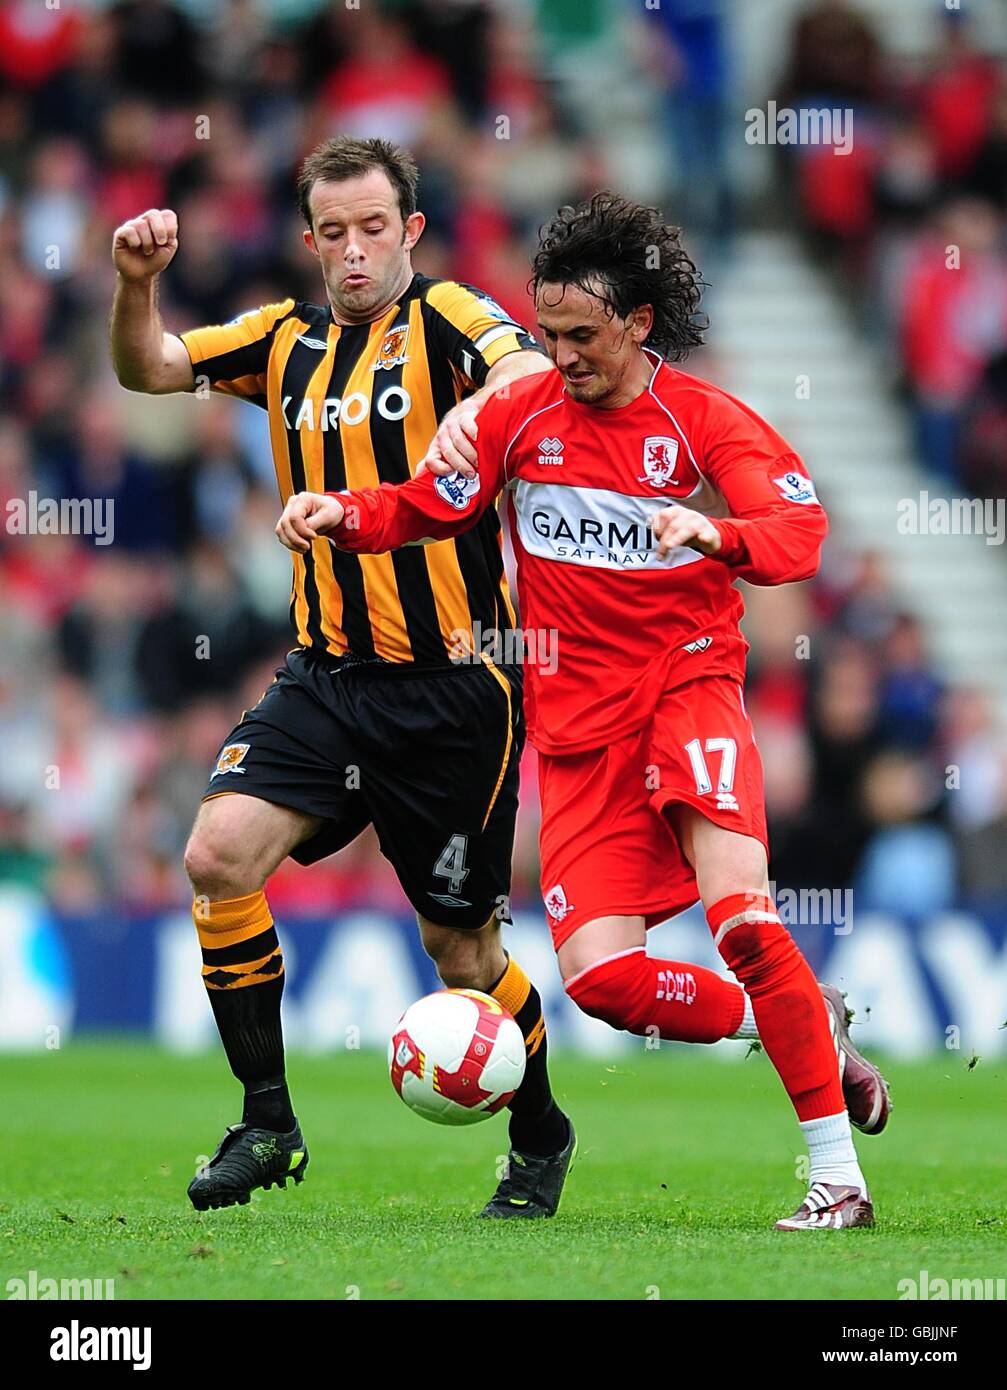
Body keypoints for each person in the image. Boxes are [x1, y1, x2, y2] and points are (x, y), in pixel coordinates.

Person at [277, 192, 891, 1231]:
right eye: (546, 333)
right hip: (574, 734)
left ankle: (836, 1178)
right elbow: (433, 503)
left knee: (740, 913)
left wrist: (716, 538)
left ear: (637, 324)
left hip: (685, 689)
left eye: (579, 337)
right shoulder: (518, 419)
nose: (556, 355)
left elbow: (797, 532)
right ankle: (802, 1027)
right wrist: (344, 515)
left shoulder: (701, 421)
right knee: (600, 979)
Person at [109, 135, 575, 1219]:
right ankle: (268, 1120)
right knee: (217, 855)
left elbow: (525, 366)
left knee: (459, 949)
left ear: (408, 230)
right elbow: (150, 367)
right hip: (325, 677)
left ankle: (541, 1131)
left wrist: (481, 404)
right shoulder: (281, 339)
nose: (355, 250)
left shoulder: (450, 317)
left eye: (375, 228)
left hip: (455, 687)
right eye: (334, 232)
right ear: (309, 237)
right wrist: (135, 287)